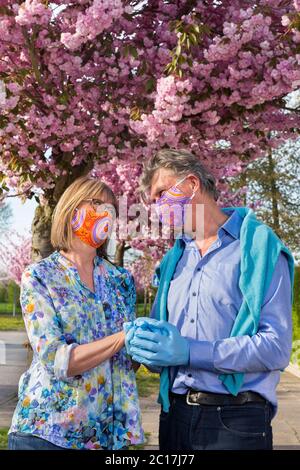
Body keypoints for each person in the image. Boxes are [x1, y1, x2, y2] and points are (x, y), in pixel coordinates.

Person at [124, 148, 294, 451]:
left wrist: (190, 351)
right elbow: (163, 349)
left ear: (191, 185)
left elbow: (276, 347)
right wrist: (146, 346)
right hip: (173, 417)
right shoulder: (173, 261)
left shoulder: (258, 248)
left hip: (235, 422)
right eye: (153, 202)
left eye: (162, 194)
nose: (157, 208)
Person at [8, 175, 144, 450]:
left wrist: (147, 346)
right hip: (46, 433)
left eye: (111, 210)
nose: (104, 214)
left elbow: (127, 361)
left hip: (104, 436)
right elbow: (56, 359)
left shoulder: (121, 280)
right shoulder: (40, 276)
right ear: (71, 211)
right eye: (96, 204)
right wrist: (123, 337)